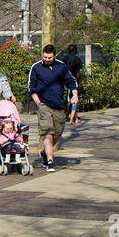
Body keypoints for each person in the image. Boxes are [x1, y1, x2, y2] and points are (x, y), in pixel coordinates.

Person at [27, 44, 78, 172]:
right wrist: (38, 102)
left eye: (49, 57)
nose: (47, 59)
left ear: (54, 55)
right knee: (48, 134)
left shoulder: (61, 66)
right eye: (45, 57)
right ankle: (50, 161)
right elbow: (31, 87)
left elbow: (71, 81)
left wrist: (75, 95)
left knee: (57, 134)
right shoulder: (36, 67)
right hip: (44, 105)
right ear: (42, 54)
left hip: (59, 105)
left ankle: (45, 152)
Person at [62, 44, 84, 124]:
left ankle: (75, 117)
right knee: (74, 99)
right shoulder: (76, 59)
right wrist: (79, 83)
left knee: (69, 96)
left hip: (65, 79)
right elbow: (77, 73)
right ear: (75, 50)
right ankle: (69, 117)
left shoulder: (64, 59)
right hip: (73, 80)